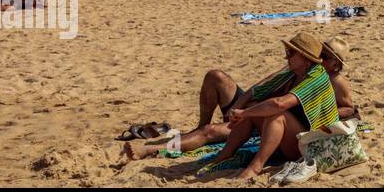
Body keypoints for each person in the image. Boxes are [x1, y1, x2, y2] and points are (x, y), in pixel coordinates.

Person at [123, 35, 355, 160]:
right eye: (322, 52)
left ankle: (152, 150)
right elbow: (262, 85)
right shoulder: (297, 68)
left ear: (336, 63)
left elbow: (349, 110)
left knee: (210, 133)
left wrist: (318, 107)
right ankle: (201, 126)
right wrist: (241, 105)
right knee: (216, 77)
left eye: (327, 55)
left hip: (269, 120)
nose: (322, 57)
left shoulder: (332, 81)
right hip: (255, 110)